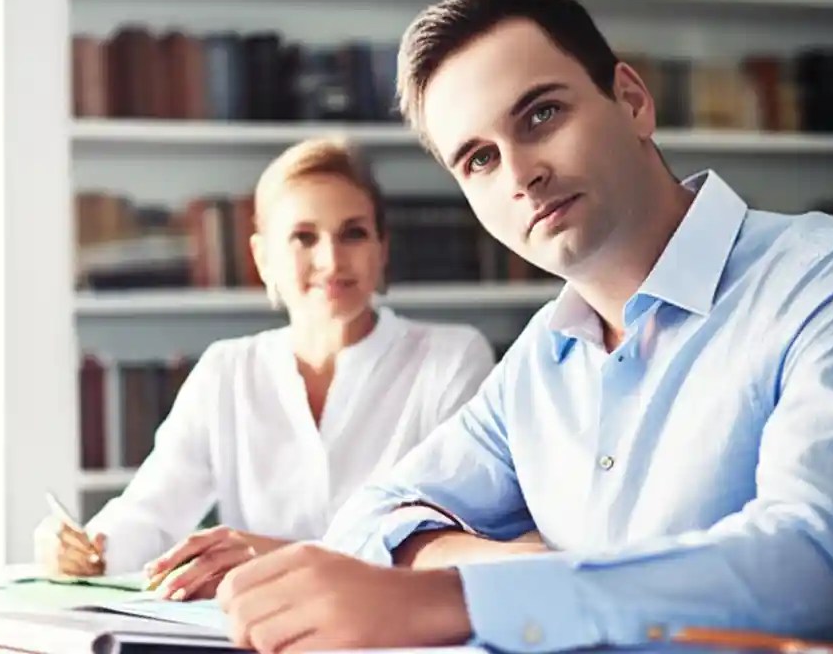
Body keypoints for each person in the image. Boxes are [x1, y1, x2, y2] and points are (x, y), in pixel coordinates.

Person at [214, 0, 833, 653]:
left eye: (541, 115)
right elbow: (369, 519)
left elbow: (819, 568)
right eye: (480, 158)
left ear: (632, 101)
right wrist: (514, 571)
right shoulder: (539, 361)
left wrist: (451, 598)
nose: (520, 174)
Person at [33, 137, 508, 600]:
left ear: (382, 250)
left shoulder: (450, 359)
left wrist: (277, 555)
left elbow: (454, 537)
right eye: (304, 237)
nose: (331, 259)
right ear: (263, 258)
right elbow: (151, 515)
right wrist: (87, 551)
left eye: (353, 233)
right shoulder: (227, 370)